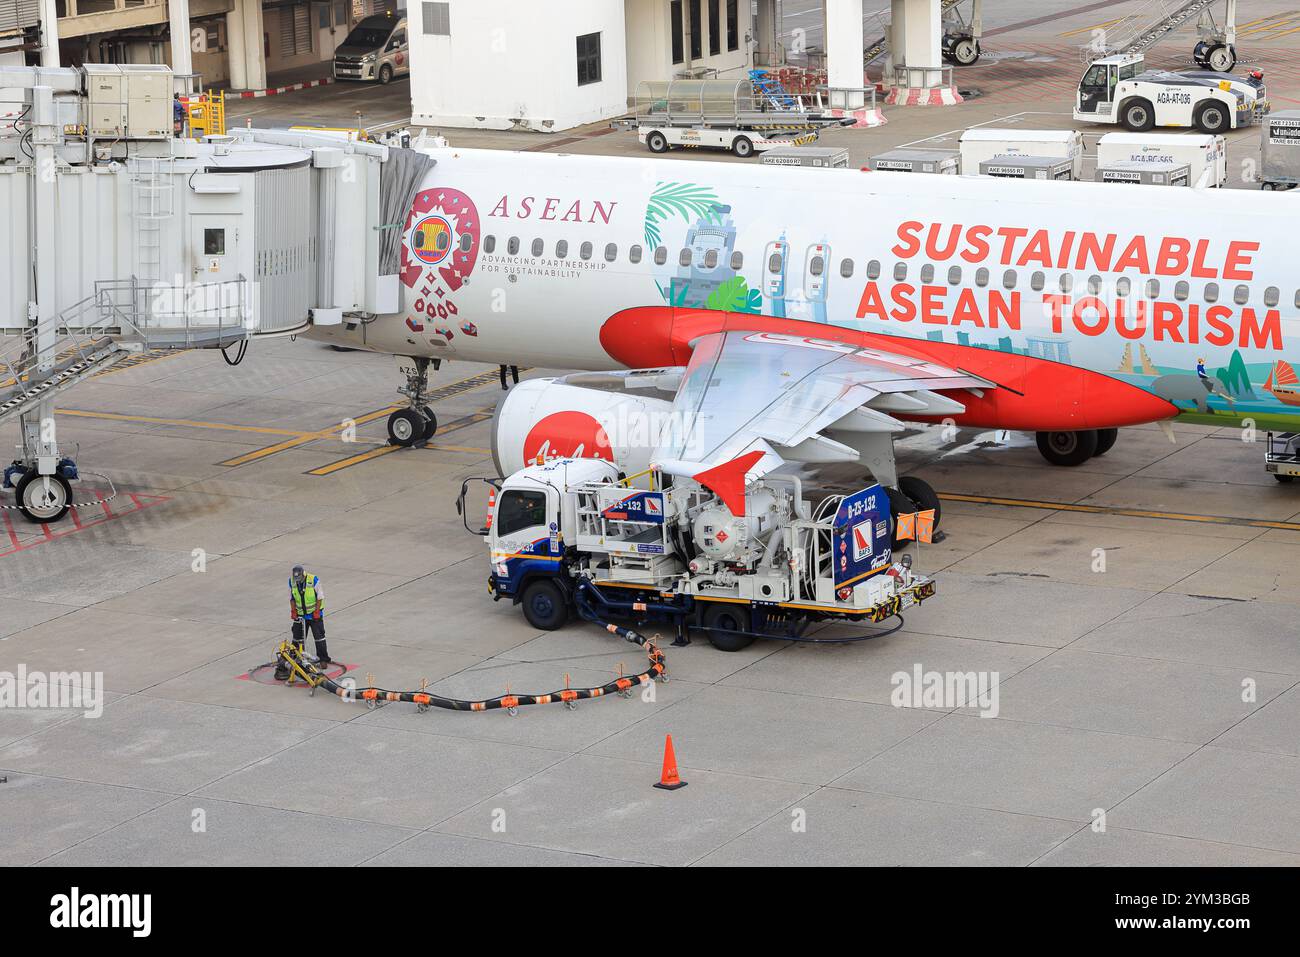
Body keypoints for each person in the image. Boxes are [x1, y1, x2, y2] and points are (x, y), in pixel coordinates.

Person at [276, 565, 330, 680]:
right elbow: (292, 598)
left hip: (314, 615)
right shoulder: (292, 582)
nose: (298, 581)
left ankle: (323, 659)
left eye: (299, 578)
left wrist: (316, 612)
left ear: (303, 574)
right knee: (297, 638)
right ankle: (294, 658)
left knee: (319, 637)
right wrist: (293, 611)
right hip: (301, 615)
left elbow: (320, 597)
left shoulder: (313, 580)